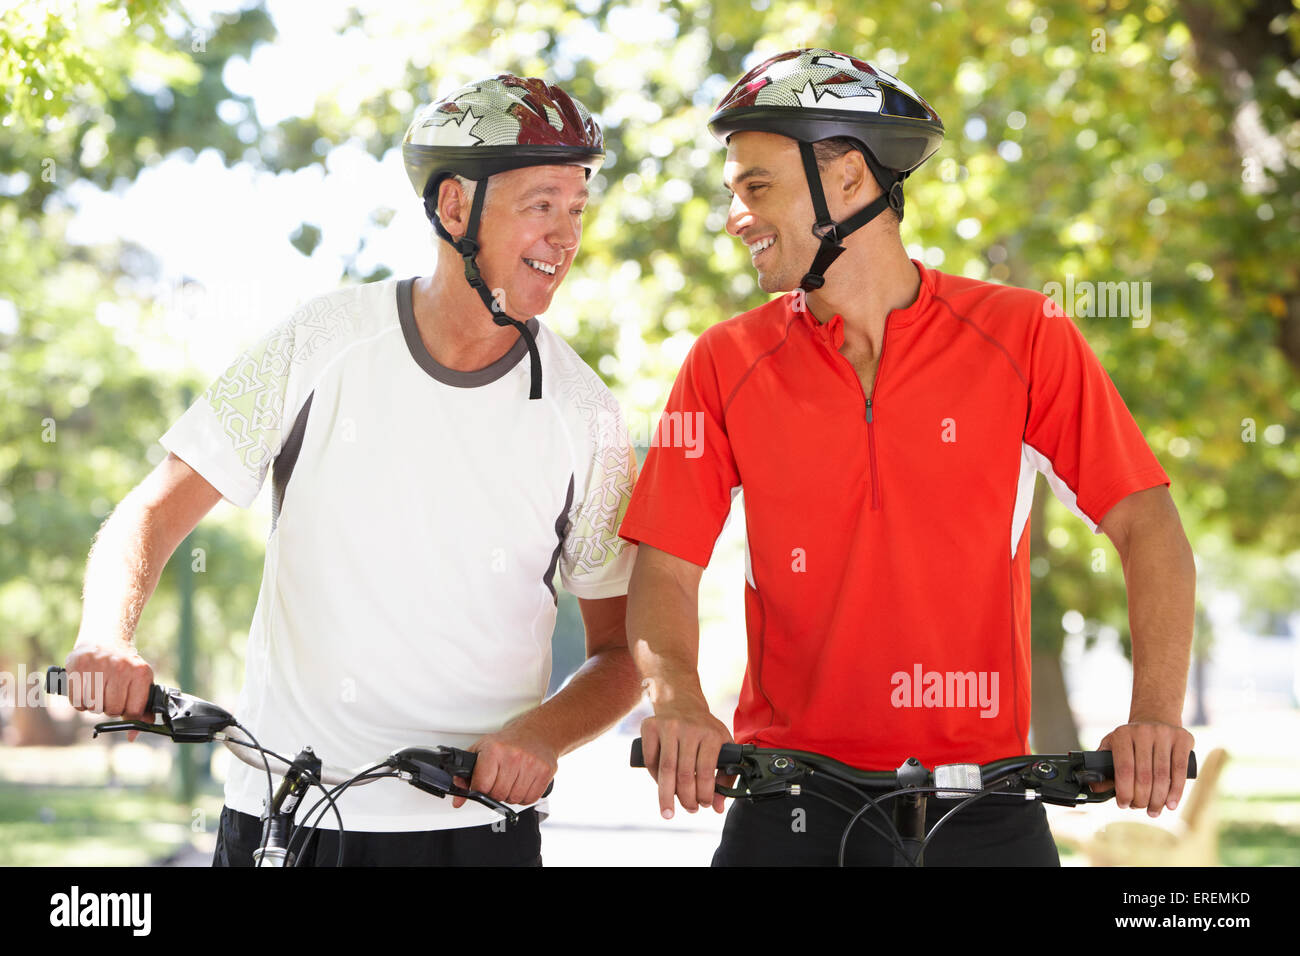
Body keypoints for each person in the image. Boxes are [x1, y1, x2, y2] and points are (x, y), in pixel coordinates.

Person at [618, 49, 1196, 866]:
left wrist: (1156, 714)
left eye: (757, 187)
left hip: (984, 807)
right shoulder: (725, 362)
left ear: (849, 180)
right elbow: (667, 563)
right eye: (733, 192)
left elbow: (1146, 521)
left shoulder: (1026, 335)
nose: (735, 215)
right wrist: (676, 696)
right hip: (789, 806)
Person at [64, 74, 642, 866]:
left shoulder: (587, 413)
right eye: (540, 204)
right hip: (285, 820)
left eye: (576, 208)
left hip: (476, 834)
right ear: (453, 209)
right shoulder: (323, 339)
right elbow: (152, 511)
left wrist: (544, 733)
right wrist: (105, 636)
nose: (565, 234)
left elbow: (623, 654)